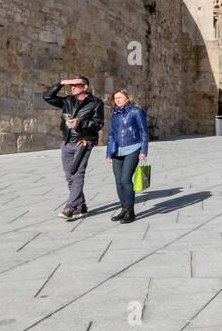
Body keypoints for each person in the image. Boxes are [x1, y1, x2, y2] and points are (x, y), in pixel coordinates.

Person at [44, 76, 104, 221]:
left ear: (85, 87)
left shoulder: (95, 103)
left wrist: (80, 123)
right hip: (67, 141)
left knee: (77, 173)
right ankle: (81, 205)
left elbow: (98, 123)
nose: (73, 87)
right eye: (71, 85)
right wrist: (61, 83)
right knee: (69, 175)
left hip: (83, 141)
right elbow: (47, 97)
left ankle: (69, 207)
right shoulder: (67, 101)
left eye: (77, 85)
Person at [106, 89, 149, 223]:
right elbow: (111, 134)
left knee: (125, 179)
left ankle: (130, 211)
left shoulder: (137, 111)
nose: (117, 100)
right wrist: (109, 153)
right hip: (117, 151)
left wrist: (143, 150)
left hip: (133, 148)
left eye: (120, 97)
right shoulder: (115, 114)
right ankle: (124, 208)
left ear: (127, 98)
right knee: (118, 181)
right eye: (115, 98)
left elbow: (144, 132)